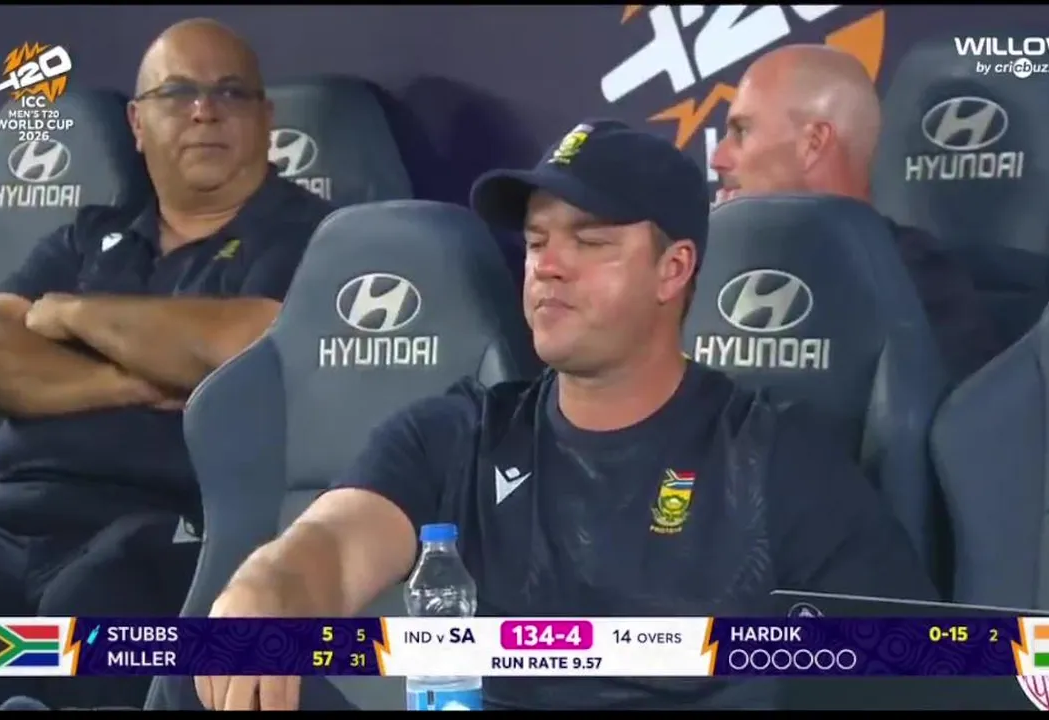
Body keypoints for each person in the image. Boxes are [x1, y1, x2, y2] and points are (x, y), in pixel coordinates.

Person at [195, 119, 938, 711]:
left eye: (590, 241)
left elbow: (909, 672)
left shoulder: (775, 456)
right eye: (537, 242)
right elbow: (331, 547)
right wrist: (268, 590)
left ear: (673, 269)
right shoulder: (457, 436)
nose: (549, 265)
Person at [0, 18, 333, 710]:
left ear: (266, 118)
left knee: (97, 593)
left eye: (231, 92)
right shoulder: (90, 235)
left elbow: (251, 344)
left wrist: (72, 316)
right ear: (137, 123)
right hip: (12, 524)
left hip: (168, 531)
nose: (205, 110)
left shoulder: (309, 235)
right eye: (179, 92)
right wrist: (132, 378)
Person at [710, 44, 998, 382]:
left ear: (813, 143)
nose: (717, 159)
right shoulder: (704, 275)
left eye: (741, 132)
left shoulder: (917, 289)